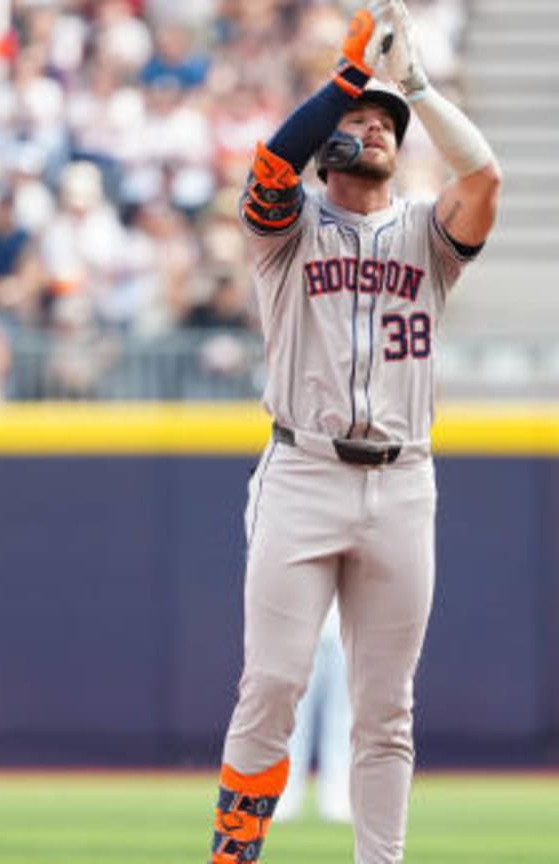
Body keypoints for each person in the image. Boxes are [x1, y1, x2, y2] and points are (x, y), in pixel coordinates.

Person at [204, 1, 500, 863]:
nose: (372, 130)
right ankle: (234, 855)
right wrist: (345, 79)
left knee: (387, 707)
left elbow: (483, 181)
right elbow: (268, 166)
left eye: (385, 125)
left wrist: (413, 87)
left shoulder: (425, 234)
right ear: (330, 135)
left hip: (403, 480)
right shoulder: (287, 232)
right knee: (272, 684)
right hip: (303, 469)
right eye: (358, 121)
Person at [272, 603, 352, 824]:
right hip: (301, 624)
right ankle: (284, 794)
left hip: (348, 625)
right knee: (294, 715)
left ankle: (339, 796)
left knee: (343, 718)